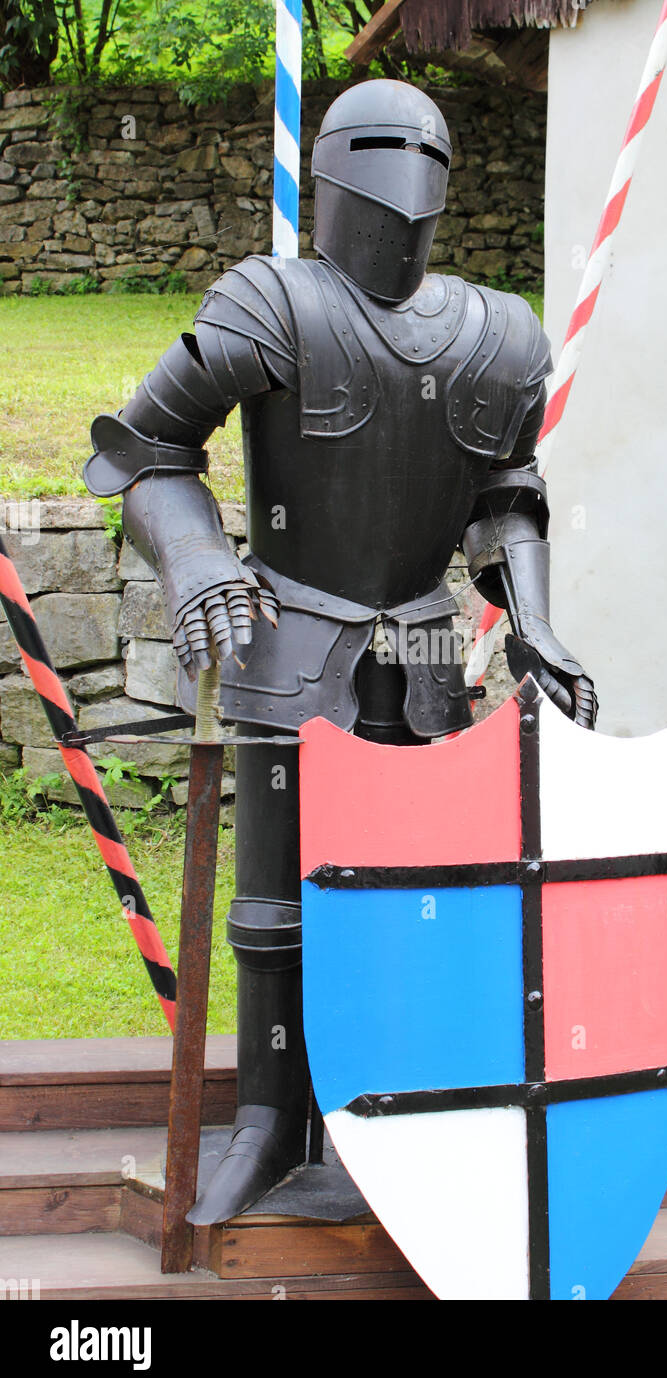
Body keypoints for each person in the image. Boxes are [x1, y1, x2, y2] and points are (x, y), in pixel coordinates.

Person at [83, 79, 597, 1224]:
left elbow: (505, 499)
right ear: (329, 171)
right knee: (271, 914)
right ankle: (267, 1119)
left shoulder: (498, 334)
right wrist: (204, 560)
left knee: (411, 898)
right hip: (287, 639)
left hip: (417, 655)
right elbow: (145, 445)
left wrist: (536, 624)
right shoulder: (272, 300)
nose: (397, 184)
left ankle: (390, 1114)